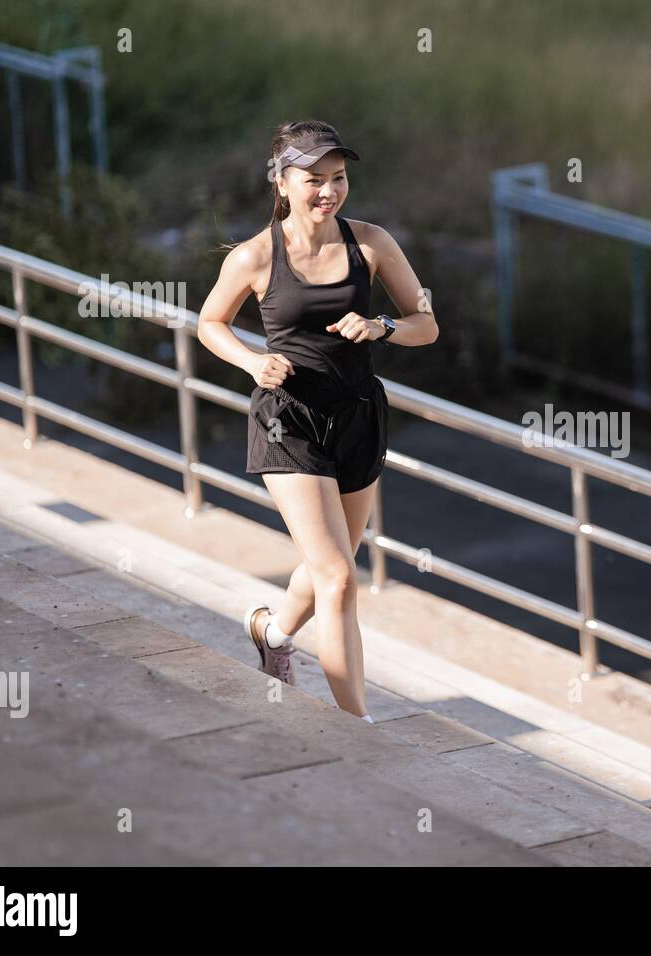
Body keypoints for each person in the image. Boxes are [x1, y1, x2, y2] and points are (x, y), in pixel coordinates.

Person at [196, 120, 437, 722]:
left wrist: (381, 327)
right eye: (314, 179)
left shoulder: (372, 243)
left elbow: (426, 324)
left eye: (338, 178)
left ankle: (273, 634)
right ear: (281, 181)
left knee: (333, 563)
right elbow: (209, 323)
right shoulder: (256, 255)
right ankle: (360, 725)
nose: (328, 191)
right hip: (288, 422)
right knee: (338, 578)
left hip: (357, 415)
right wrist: (253, 362)